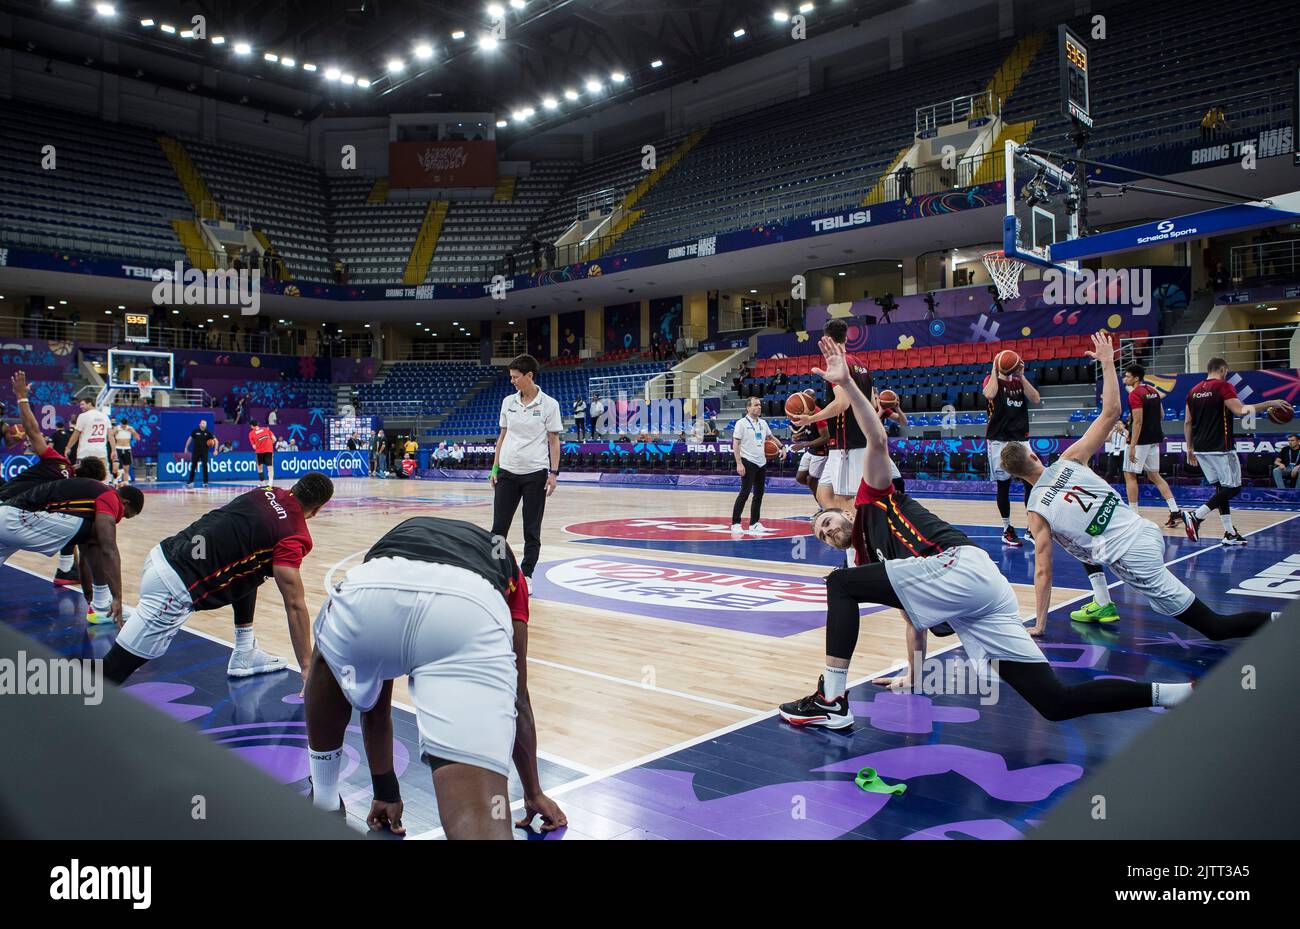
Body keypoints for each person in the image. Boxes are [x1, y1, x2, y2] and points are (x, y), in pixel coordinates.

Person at [778, 335, 1204, 729]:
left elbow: (874, 437)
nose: (828, 531)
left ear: (847, 513)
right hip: (980, 602)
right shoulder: (873, 561)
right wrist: (917, 673)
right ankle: (1176, 694)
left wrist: (848, 386)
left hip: (959, 565)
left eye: (828, 521)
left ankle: (831, 700)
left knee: (840, 584)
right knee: (1054, 702)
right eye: (821, 535)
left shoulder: (874, 499)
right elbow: (914, 621)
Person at [1000, 332, 1281, 642]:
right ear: (1035, 455)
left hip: (1134, 558)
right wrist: (1108, 362)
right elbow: (1110, 413)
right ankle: (1103, 602)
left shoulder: (1035, 511)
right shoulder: (1069, 459)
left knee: (1214, 628)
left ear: (1016, 477)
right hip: (1146, 531)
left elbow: (1043, 572)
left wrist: (1040, 625)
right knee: (1085, 543)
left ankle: (1284, 621)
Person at [304, 516, 567, 838]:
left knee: (327, 654)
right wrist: (533, 791)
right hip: (466, 606)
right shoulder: (510, 572)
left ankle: (325, 795)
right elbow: (517, 695)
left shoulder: (394, 544)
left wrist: (385, 790)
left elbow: (375, 703)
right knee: (478, 816)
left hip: (369, 592)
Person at [103, 473, 334, 686]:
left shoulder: (266, 492)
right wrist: (306, 667)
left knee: (253, 565)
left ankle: (244, 649)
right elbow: (294, 604)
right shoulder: (294, 536)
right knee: (111, 671)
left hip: (162, 554)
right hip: (172, 589)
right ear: (317, 509)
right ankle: (72, 707)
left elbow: (247, 560)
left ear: (294, 487)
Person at [0, 468, 143, 624]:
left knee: (91, 536)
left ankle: (99, 605)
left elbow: (85, 551)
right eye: (125, 514)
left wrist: (88, 591)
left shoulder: (92, 493)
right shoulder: (110, 497)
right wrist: (117, 598)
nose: (120, 517)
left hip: (6, 514)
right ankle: (102, 607)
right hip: (18, 517)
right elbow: (108, 549)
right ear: (125, 502)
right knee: (99, 536)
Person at [1184, 357, 1292, 545]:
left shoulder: (1192, 391)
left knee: (1221, 488)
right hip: (1220, 447)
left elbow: (1187, 422)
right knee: (1234, 487)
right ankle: (1197, 516)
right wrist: (1270, 403)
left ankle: (1229, 533)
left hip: (1201, 448)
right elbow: (1241, 411)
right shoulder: (1222, 386)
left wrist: (1190, 448)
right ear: (1224, 370)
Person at [788, 318, 876, 534]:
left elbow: (841, 403)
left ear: (825, 339)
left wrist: (810, 419)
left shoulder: (838, 364)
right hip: (849, 443)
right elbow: (873, 404)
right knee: (824, 495)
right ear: (846, 337)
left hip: (848, 445)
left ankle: (855, 549)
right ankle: (850, 537)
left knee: (846, 503)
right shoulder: (861, 364)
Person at [491, 355, 562, 594]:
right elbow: (502, 437)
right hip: (508, 473)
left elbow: (554, 441)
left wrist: (553, 473)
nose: (512, 381)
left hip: (535, 475)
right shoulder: (508, 402)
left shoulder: (549, 404)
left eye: (515, 377)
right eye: (510, 377)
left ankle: (527, 574)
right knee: (499, 527)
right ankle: (496, 569)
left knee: (531, 529)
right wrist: (495, 467)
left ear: (529, 376)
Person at [982, 349, 1040, 547]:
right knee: (1003, 485)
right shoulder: (991, 381)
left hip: (1021, 438)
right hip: (998, 439)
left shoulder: (1018, 382)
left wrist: (1022, 376)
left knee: (1031, 482)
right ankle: (1007, 528)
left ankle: (1031, 528)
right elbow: (989, 394)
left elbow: (1036, 398)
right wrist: (995, 366)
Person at [1122, 364, 1182, 525]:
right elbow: (1161, 414)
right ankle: (1175, 510)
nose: (1125, 379)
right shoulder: (1153, 391)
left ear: (1136, 378)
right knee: (1154, 475)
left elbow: (1138, 421)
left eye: (1127, 376)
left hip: (1140, 441)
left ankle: (1133, 514)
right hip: (1154, 439)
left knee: (1129, 474)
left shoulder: (1134, 394)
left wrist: (1133, 445)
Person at [731, 397, 773, 534]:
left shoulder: (763, 423)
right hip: (747, 461)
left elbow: (770, 438)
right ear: (748, 408)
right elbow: (735, 444)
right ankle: (735, 523)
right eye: (756, 405)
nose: (759, 407)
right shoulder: (741, 423)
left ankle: (754, 523)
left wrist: (782, 446)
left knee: (759, 493)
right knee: (745, 492)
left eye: (760, 405)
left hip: (761, 462)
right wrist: (739, 463)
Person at [789, 391, 831, 510]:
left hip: (821, 451)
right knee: (800, 478)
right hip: (811, 450)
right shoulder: (806, 412)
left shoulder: (818, 413)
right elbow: (810, 431)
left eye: (806, 397)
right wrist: (799, 436)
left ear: (813, 398)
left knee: (812, 480)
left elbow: (825, 437)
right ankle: (824, 494)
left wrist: (803, 445)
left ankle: (824, 507)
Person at [67, 399, 115, 476]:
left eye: (82, 404)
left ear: (90, 403)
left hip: (85, 452)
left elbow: (76, 434)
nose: (80, 406)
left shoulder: (83, 416)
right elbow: (110, 435)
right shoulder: (105, 416)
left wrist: (68, 447)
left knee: (83, 478)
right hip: (101, 452)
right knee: (102, 478)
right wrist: (113, 450)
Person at [183, 418, 217, 488]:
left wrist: (215, 450)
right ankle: (191, 482)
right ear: (200, 424)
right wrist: (186, 447)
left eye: (205, 423)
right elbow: (190, 439)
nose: (204, 424)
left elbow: (216, 440)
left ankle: (205, 482)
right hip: (196, 452)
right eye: (203, 423)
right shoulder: (195, 431)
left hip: (204, 452)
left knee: (205, 466)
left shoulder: (208, 433)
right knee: (193, 466)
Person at [110, 419, 141, 486]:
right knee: (115, 468)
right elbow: (110, 435)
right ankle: (115, 481)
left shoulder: (130, 428)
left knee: (126, 469)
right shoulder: (117, 428)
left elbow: (138, 438)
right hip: (118, 448)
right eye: (122, 426)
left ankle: (126, 483)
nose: (124, 427)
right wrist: (115, 432)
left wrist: (133, 432)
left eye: (125, 426)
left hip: (127, 449)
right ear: (120, 424)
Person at [248, 419, 276, 487]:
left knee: (260, 468)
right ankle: (270, 483)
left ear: (251, 426)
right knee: (270, 467)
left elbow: (254, 447)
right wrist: (268, 445)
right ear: (257, 424)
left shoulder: (251, 433)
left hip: (259, 452)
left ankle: (263, 483)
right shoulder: (266, 429)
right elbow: (274, 439)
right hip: (269, 450)